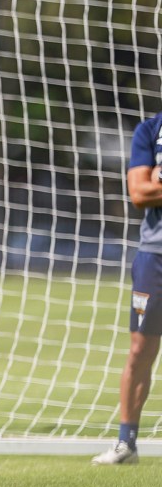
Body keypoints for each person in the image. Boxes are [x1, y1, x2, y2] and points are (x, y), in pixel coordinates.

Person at [92, 111, 162, 465]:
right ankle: (126, 444)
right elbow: (139, 192)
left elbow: (153, 186)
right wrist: (151, 184)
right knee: (139, 351)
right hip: (155, 258)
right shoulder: (150, 130)